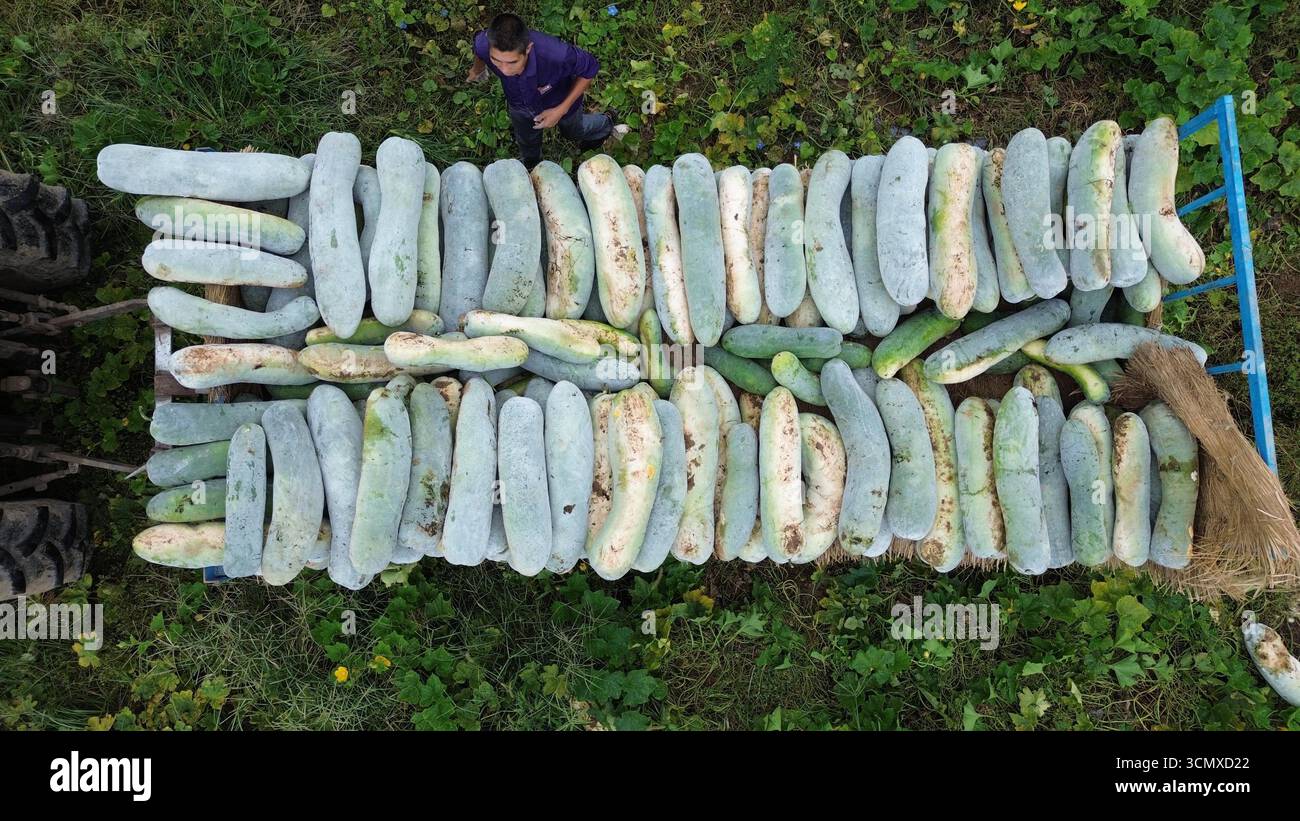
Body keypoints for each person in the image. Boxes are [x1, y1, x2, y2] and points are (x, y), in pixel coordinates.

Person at [467, 13, 625, 169]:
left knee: (573, 131)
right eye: (496, 61)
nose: (505, 70)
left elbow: (590, 68)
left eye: (512, 62)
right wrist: (477, 70)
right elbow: (479, 52)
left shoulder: (557, 55)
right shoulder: (484, 43)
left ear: (528, 48)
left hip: (559, 99)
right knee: (526, 139)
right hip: (518, 103)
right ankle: (532, 165)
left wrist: (560, 110)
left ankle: (607, 122)